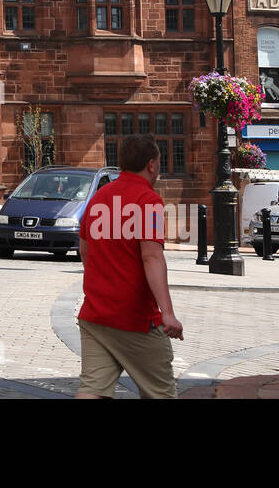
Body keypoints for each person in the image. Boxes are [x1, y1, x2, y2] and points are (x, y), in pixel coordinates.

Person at [76, 133, 182, 399]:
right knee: (160, 393)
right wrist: (167, 313)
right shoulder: (149, 201)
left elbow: (84, 249)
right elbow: (152, 257)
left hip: (95, 315)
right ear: (152, 164)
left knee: (93, 390)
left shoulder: (99, 197)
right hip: (135, 319)